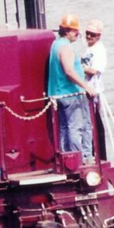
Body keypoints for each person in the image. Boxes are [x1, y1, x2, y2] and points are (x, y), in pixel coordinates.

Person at [47, 14, 96, 163]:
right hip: (70, 93)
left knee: (64, 127)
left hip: (58, 94)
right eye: (75, 31)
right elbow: (69, 71)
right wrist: (86, 86)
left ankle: (66, 156)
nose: (78, 34)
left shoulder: (55, 45)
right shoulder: (66, 48)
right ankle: (78, 159)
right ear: (67, 31)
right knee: (76, 127)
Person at [81, 18, 108, 157]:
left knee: (96, 123)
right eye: (87, 33)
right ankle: (91, 152)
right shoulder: (88, 49)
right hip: (86, 90)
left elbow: (94, 70)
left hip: (94, 91)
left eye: (92, 34)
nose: (88, 36)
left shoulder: (100, 50)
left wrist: (78, 68)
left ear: (98, 36)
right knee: (88, 122)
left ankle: (100, 155)